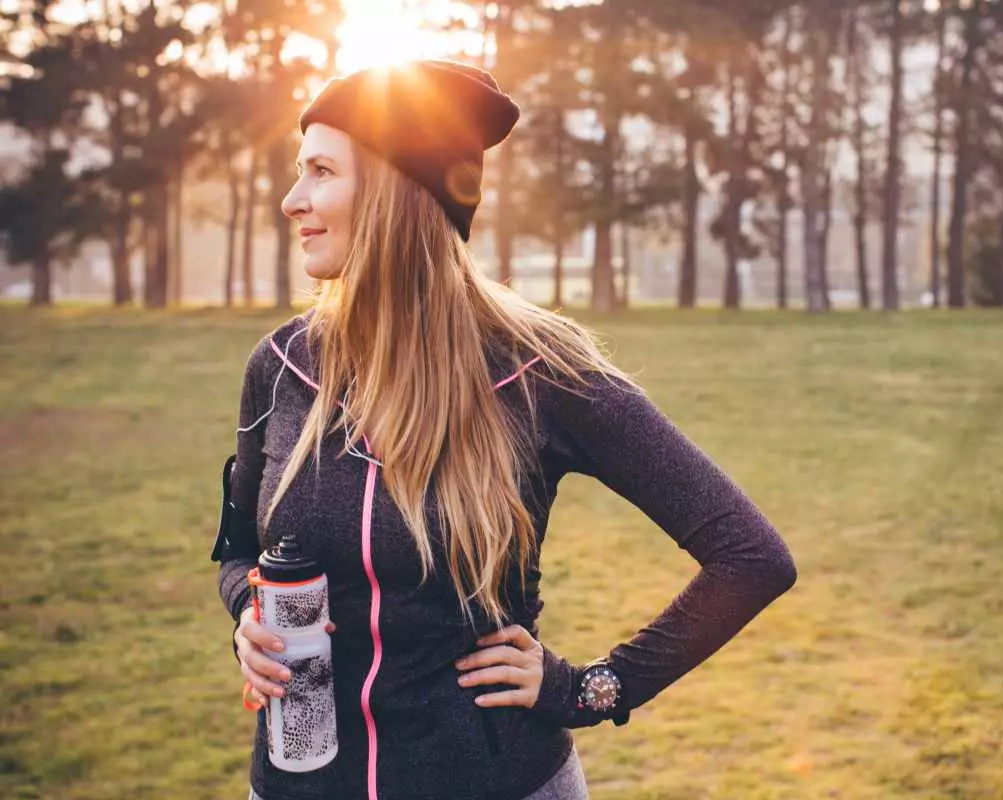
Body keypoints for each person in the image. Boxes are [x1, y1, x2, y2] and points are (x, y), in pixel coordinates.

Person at [212, 60, 798, 800]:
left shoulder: (539, 373)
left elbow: (751, 557)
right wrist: (247, 616)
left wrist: (592, 688)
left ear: (398, 193)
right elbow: (238, 550)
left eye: (321, 171)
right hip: (294, 784)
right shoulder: (280, 367)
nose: (292, 200)